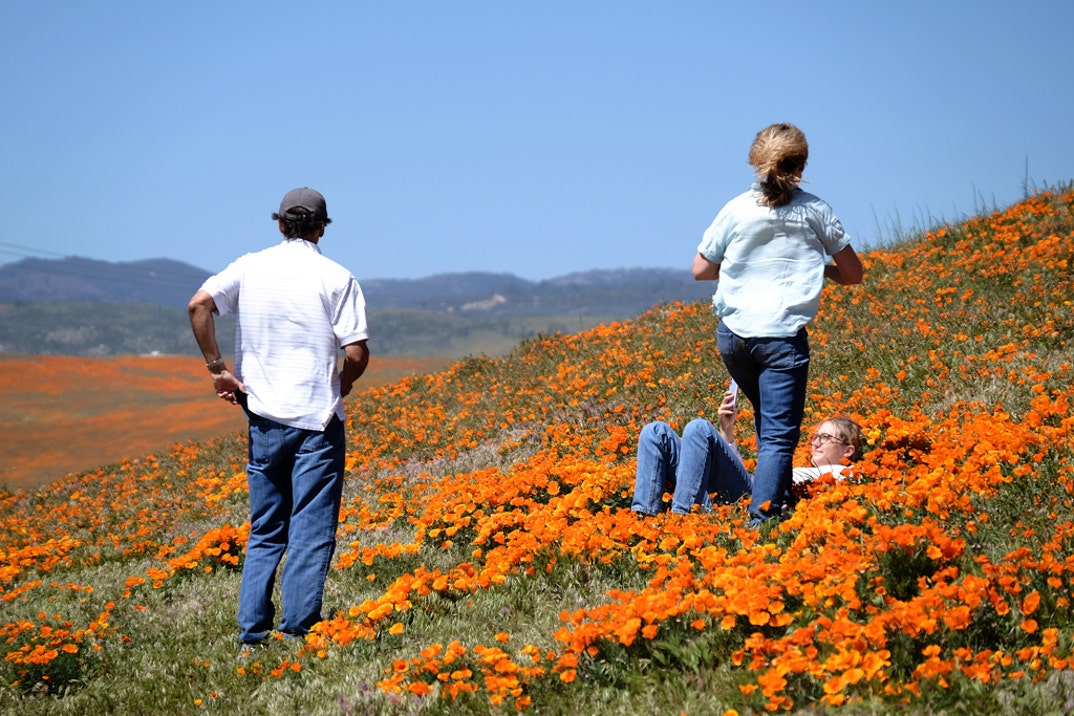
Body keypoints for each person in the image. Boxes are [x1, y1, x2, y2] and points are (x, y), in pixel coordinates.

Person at [188, 187, 370, 656]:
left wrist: (218, 370)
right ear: (322, 227)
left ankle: (252, 636)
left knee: (266, 527)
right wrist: (343, 383)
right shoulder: (337, 276)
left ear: (279, 224)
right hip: (317, 419)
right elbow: (356, 351)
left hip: (262, 416)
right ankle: (296, 632)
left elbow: (198, 306)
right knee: (310, 529)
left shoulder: (249, 267)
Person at [692, 123, 863, 528]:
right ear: (802, 164)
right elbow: (853, 273)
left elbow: (701, 269)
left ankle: (778, 502)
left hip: (733, 337)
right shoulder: (815, 210)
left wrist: (745, 267)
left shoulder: (735, 209)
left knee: (769, 421)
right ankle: (762, 521)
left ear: (756, 162)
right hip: (782, 338)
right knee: (778, 436)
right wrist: (819, 269)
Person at [631, 387, 864, 516]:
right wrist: (727, 430)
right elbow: (740, 474)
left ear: (848, 450)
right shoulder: (805, 468)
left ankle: (682, 518)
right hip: (746, 488)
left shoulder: (847, 476)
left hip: (756, 496)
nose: (816, 443)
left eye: (825, 437)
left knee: (698, 428)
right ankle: (643, 517)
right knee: (655, 432)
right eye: (815, 437)